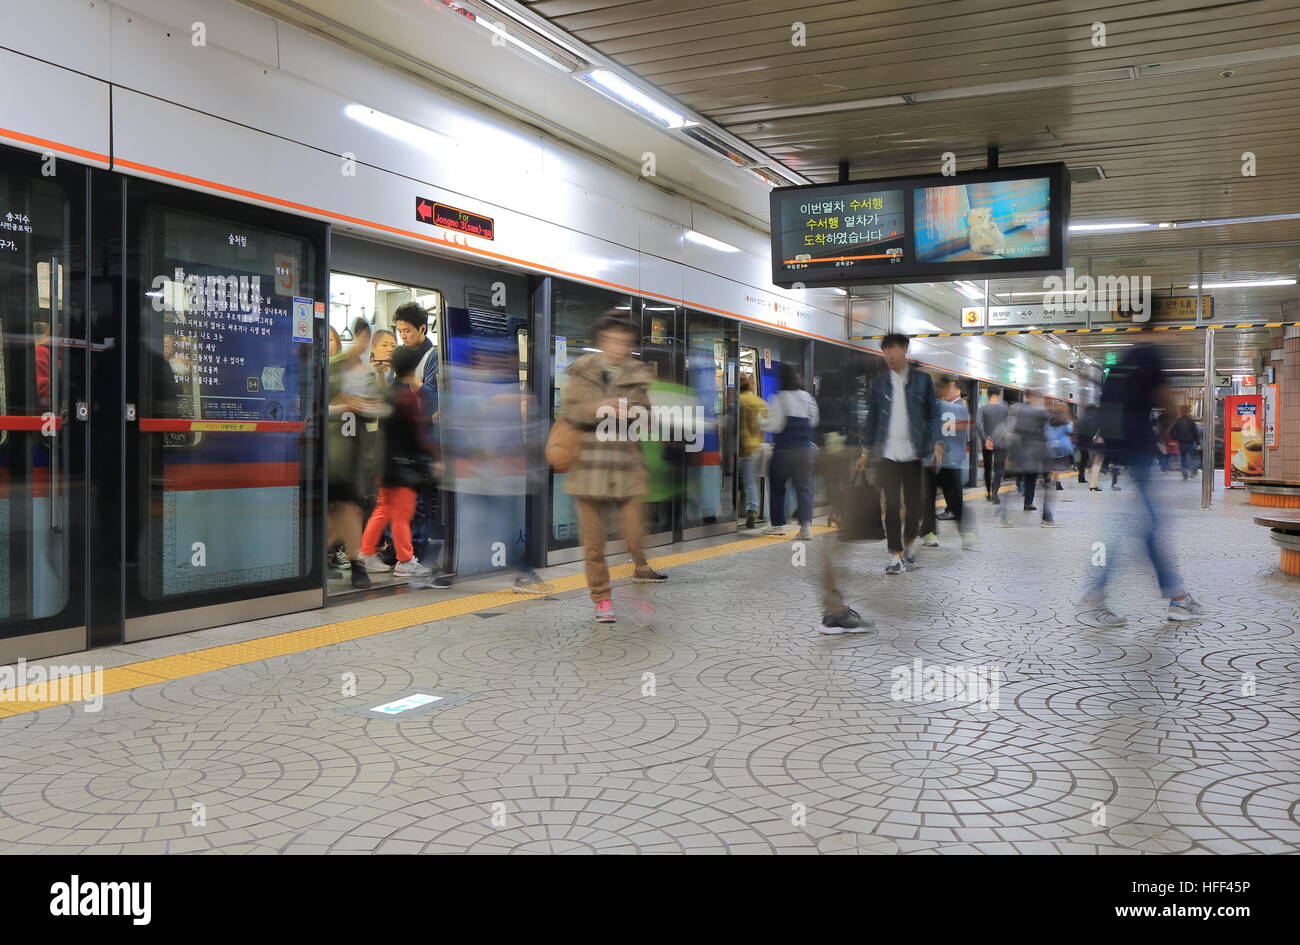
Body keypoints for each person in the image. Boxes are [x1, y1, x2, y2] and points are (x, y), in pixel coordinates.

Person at [1081, 343, 1205, 623]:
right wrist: (1160, 434)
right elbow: (1170, 406)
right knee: (1145, 526)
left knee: (1144, 527)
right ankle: (1097, 595)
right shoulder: (1151, 353)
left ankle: (1176, 596)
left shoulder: (1123, 359)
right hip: (1138, 451)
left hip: (1123, 450)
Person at [561, 314, 666, 624]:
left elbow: (649, 418)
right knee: (593, 543)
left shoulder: (636, 374)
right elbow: (568, 412)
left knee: (635, 534)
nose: (619, 347)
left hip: (626, 465)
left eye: (625, 342)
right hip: (588, 465)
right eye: (613, 340)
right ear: (601, 341)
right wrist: (597, 408)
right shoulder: (582, 373)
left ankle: (639, 567)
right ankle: (601, 598)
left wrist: (632, 412)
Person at [859, 333, 941, 574]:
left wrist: (936, 441)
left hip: (914, 454)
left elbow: (933, 414)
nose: (889, 355)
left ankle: (909, 544)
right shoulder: (879, 383)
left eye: (893, 349)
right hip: (887, 454)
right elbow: (873, 419)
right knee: (892, 505)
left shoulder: (923, 381)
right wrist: (865, 451)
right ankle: (895, 555)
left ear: (905, 349)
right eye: (885, 351)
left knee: (914, 507)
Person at [357, 345, 435, 579]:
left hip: (385, 465)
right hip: (402, 467)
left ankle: (367, 552)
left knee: (383, 510)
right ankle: (405, 560)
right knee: (402, 515)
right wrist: (429, 454)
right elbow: (415, 436)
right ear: (415, 368)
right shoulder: (408, 397)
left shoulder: (391, 391)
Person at [392, 303, 441, 567]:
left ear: (422, 328)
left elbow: (433, 400)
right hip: (402, 441)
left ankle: (418, 554)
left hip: (423, 440)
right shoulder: (399, 353)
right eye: (399, 331)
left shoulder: (432, 357)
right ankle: (401, 552)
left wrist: (411, 378)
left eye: (407, 331)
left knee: (420, 504)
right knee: (399, 503)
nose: (403, 336)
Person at [759, 362, 819, 540]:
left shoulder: (780, 398)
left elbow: (775, 425)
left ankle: (778, 525)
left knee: (777, 487)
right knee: (803, 488)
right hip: (804, 450)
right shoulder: (808, 397)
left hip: (784, 450)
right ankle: (806, 527)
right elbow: (814, 421)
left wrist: (761, 421)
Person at [921, 377, 975, 549]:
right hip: (952, 462)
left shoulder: (932, 407)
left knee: (928, 500)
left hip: (930, 462)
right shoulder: (962, 411)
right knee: (956, 500)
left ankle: (929, 534)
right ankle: (966, 535)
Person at [1000, 391, 1060, 527]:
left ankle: (1004, 514)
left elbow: (1013, 432)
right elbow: (1047, 432)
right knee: (1046, 484)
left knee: (1014, 483)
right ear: (1034, 397)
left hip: (1019, 452)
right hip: (1035, 453)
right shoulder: (1040, 413)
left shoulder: (1017, 409)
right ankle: (1046, 517)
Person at [737, 375, 767, 529]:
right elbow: (765, 425)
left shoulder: (740, 401)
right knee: (751, 481)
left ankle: (751, 510)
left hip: (744, 448)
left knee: (747, 480)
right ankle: (749, 509)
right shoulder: (761, 402)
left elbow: (739, 427)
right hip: (758, 446)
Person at [979, 388, 1009, 503]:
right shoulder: (1005, 409)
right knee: (999, 469)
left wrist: (985, 436)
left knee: (987, 468)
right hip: (1001, 442)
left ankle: (988, 492)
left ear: (988, 395)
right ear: (999, 395)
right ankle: (995, 493)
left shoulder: (983, 409)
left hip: (987, 443)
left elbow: (978, 423)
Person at [1171, 404, 1201, 479]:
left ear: (1180, 411)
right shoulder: (1190, 421)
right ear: (1188, 411)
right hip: (1190, 442)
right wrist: (1198, 443)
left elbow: (1171, 431)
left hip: (1181, 443)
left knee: (1183, 457)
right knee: (1193, 457)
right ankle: (1192, 471)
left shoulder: (1177, 421)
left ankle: (1184, 472)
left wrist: (1175, 439)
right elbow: (1195, 433)